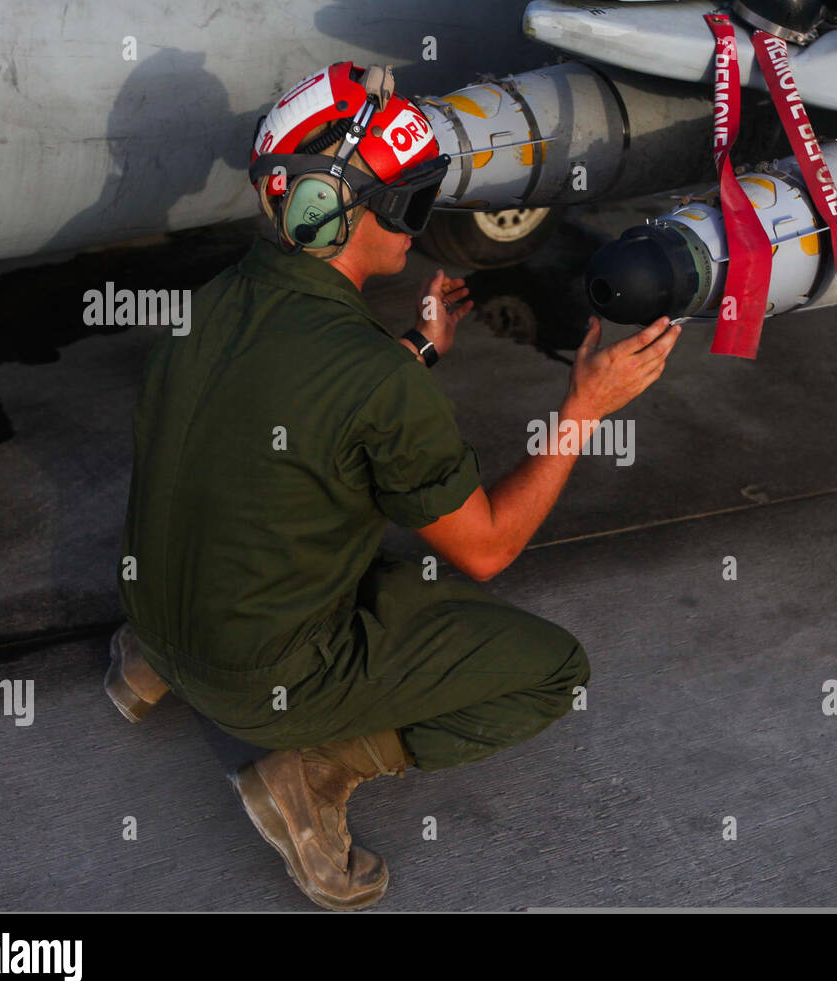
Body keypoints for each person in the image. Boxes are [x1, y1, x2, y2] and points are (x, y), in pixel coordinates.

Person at [105, 61, 681, 910]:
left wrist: (415, 352)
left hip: (157, 606)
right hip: (257, 677)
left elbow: (291, 413)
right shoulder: (373, 381)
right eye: (408, 202)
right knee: (553, 669)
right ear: (329, 211)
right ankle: (312, 767)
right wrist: (583, 406)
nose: (421, 223)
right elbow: (488, 548)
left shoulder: (211, 302)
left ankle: (150, 661)